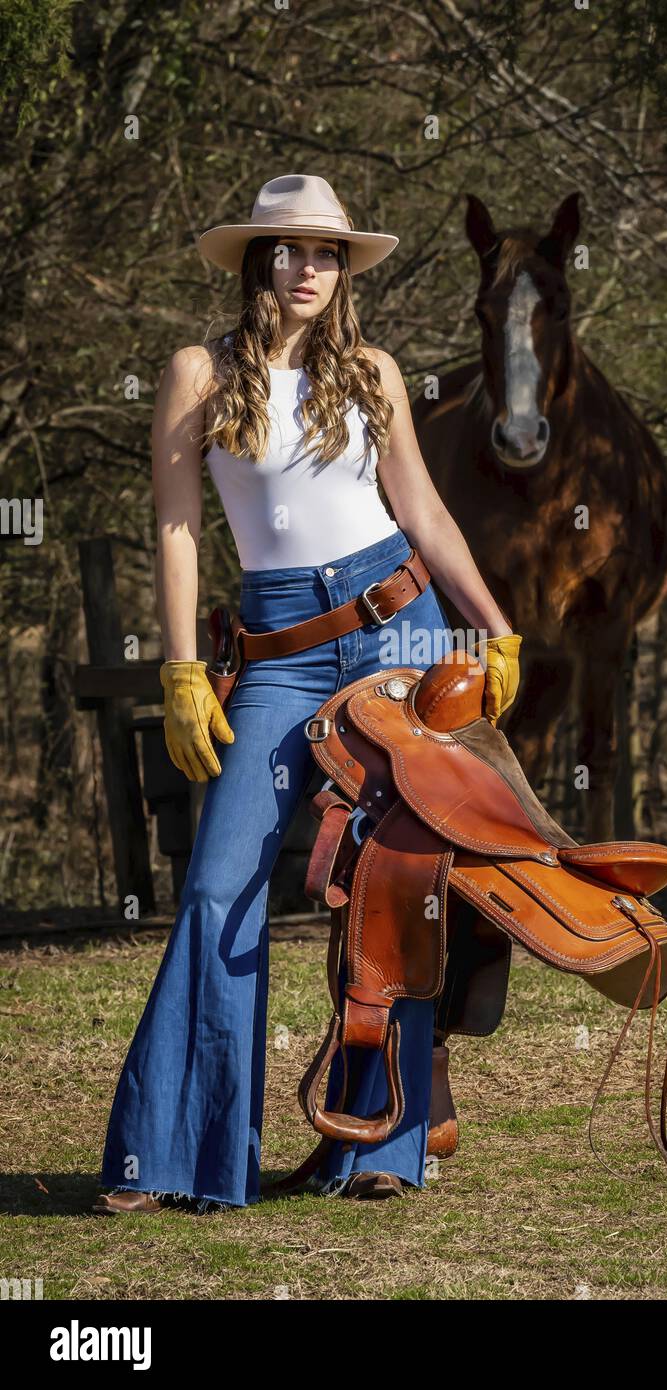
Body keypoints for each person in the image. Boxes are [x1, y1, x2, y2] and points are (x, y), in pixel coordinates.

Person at [92, 174, 521, 1213]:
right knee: (215, 885)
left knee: (397, 886)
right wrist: (185, 668)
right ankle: (176, 1155)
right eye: (286, 250)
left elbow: (416, 506)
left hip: (397, 627)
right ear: (254, 262)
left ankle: (383, 1144)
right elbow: (179, 526)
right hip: (280, 648)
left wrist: (494, 624)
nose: (306, 268)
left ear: (341, 271)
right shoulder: (199, 371)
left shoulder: (370, 371)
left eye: (324, 252)